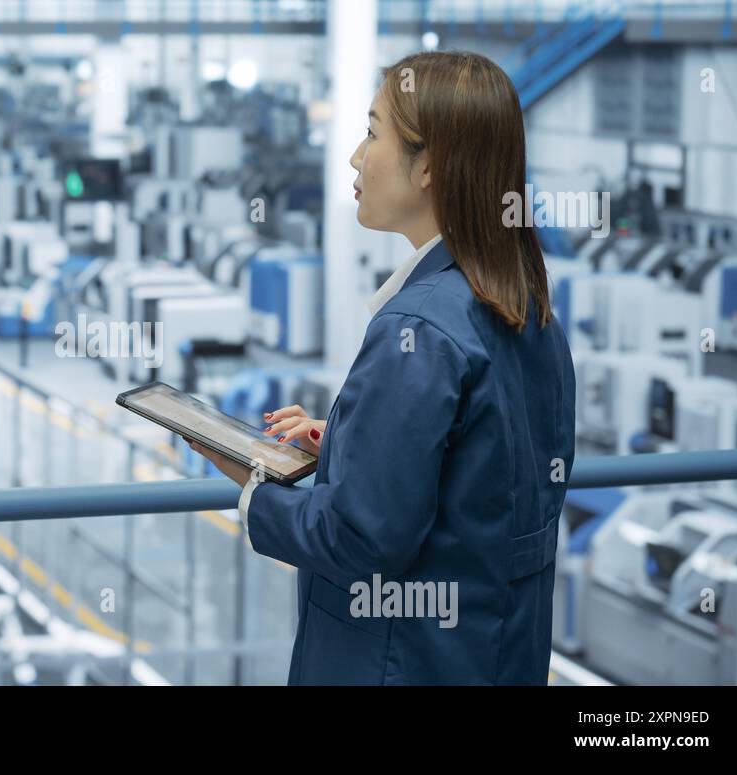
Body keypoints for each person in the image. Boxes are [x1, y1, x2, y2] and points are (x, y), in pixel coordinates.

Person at [188, 51, 576, 685]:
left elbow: (359, 542)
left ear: (430, 166)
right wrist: (349, 441)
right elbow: (488, 476)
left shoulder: (417, 329)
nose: (354, 158)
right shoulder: (525, 305)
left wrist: (252, 491)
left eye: (372, 133)